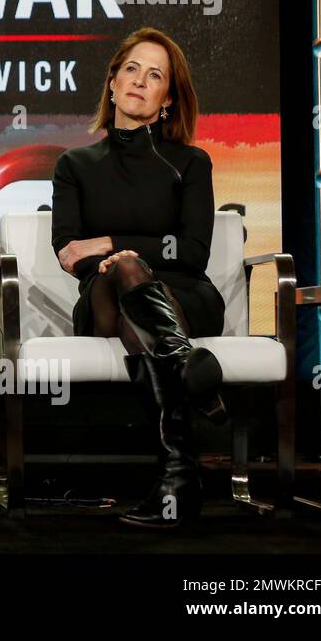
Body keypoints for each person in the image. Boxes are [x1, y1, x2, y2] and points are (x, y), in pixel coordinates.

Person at [52, 27, 226, 529]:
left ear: (167, 99)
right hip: (103, 299)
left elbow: (192, 253)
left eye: (155, 76)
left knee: (128, 265)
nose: (139, 81)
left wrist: (111, 245)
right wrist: (109, 260)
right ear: (111, 83)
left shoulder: (190, 163)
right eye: (131, 69)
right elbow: (69, 251)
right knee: (121, 272)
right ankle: (184, 362)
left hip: (185, 295)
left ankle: (177, 471)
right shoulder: (75, 165)